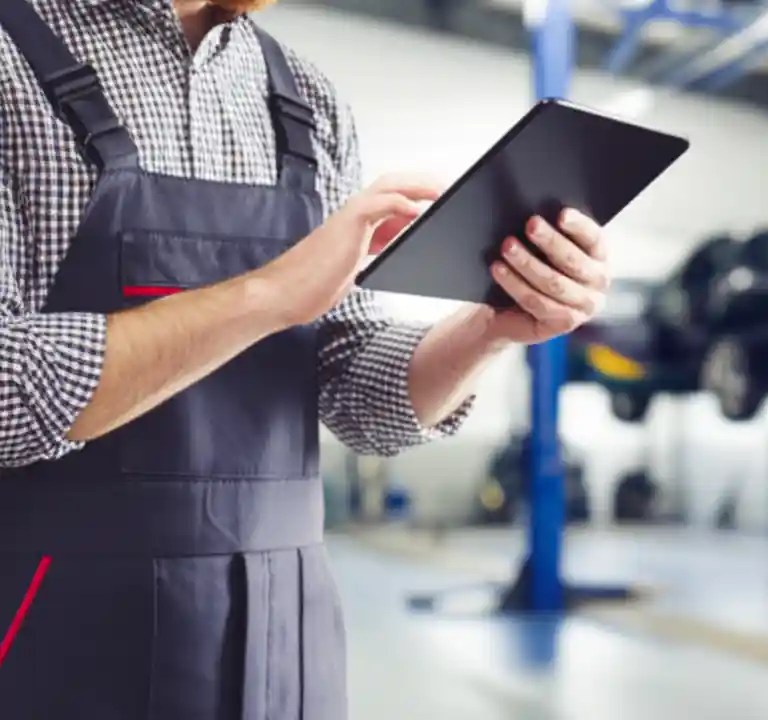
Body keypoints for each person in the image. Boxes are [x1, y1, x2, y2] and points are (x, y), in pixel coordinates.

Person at [0, 0, 613, 717]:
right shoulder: (11, 60)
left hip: (283, 644)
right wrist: (269, 294)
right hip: (57, 635)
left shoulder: (306, 98)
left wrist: (490, 328)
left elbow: (356, 395)